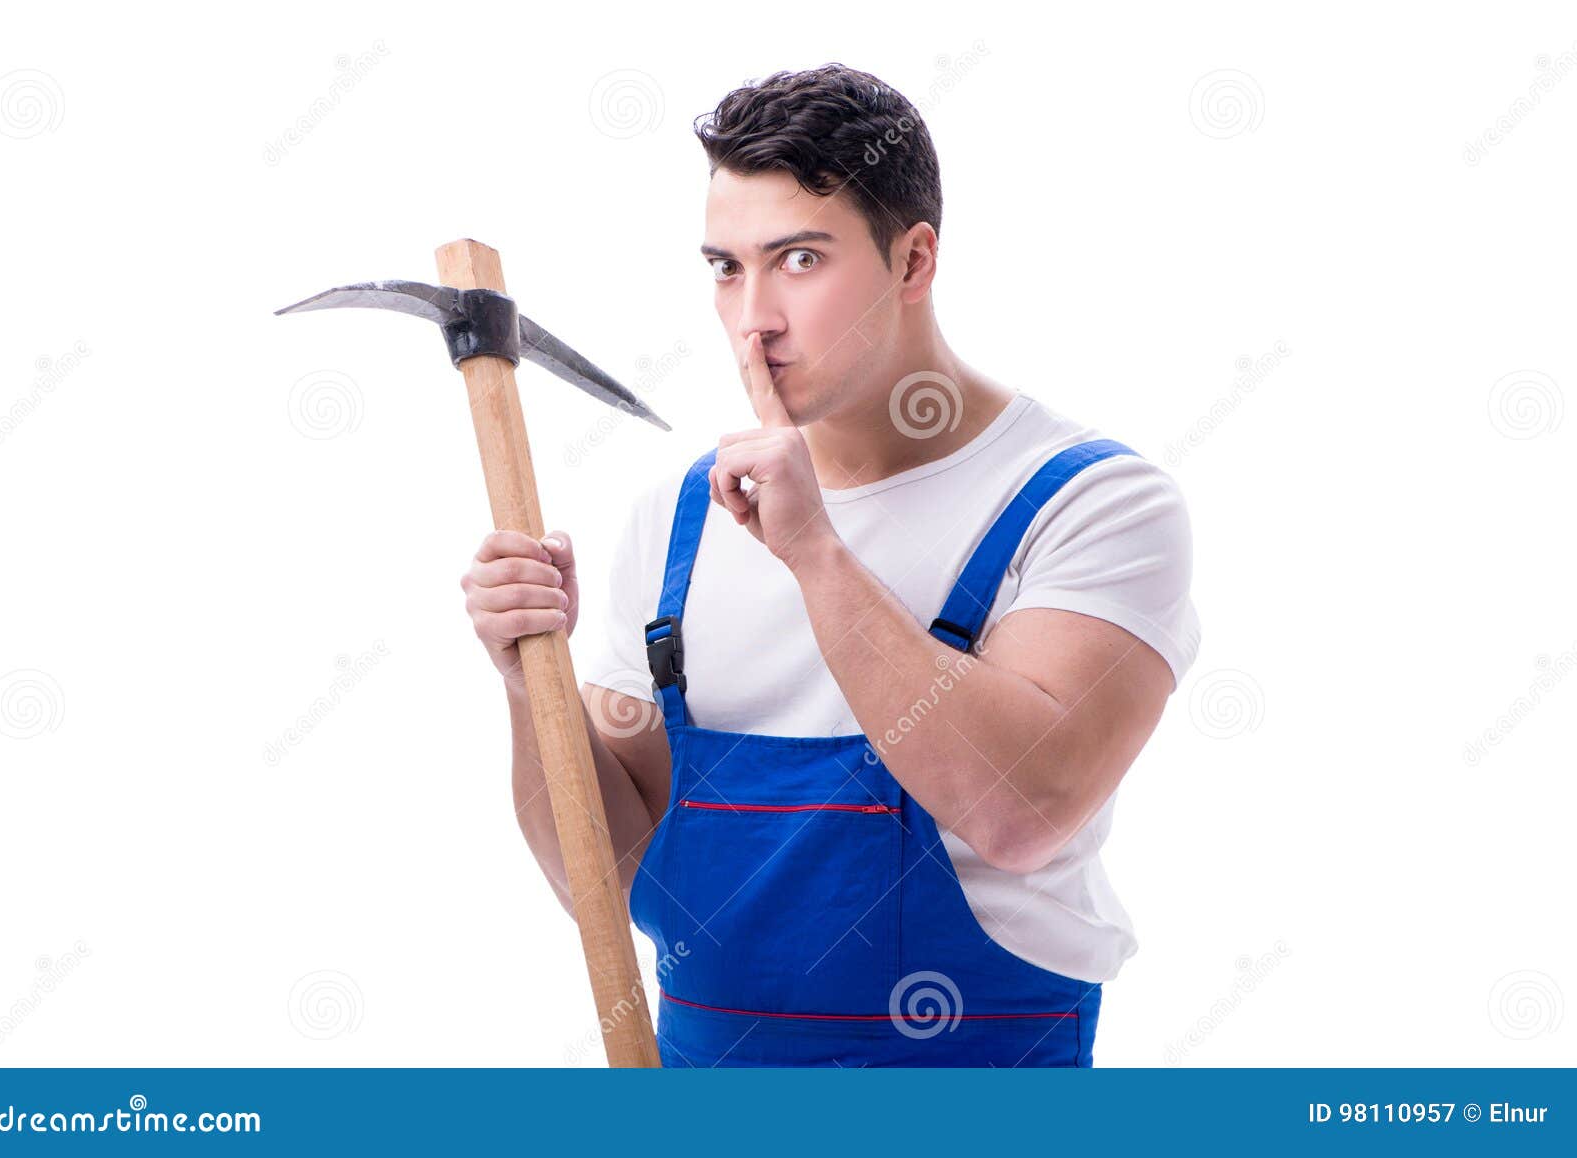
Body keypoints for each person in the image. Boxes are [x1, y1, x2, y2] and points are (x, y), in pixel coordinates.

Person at [461, 62, 1200, 1067]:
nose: (751, 315)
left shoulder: (1089, 504)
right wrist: (525, 683)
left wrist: (814, 551)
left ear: (913, 259)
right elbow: (612, 870)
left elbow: (1019, 811)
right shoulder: (677, 521)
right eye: (725, 266)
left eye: (798, 260)